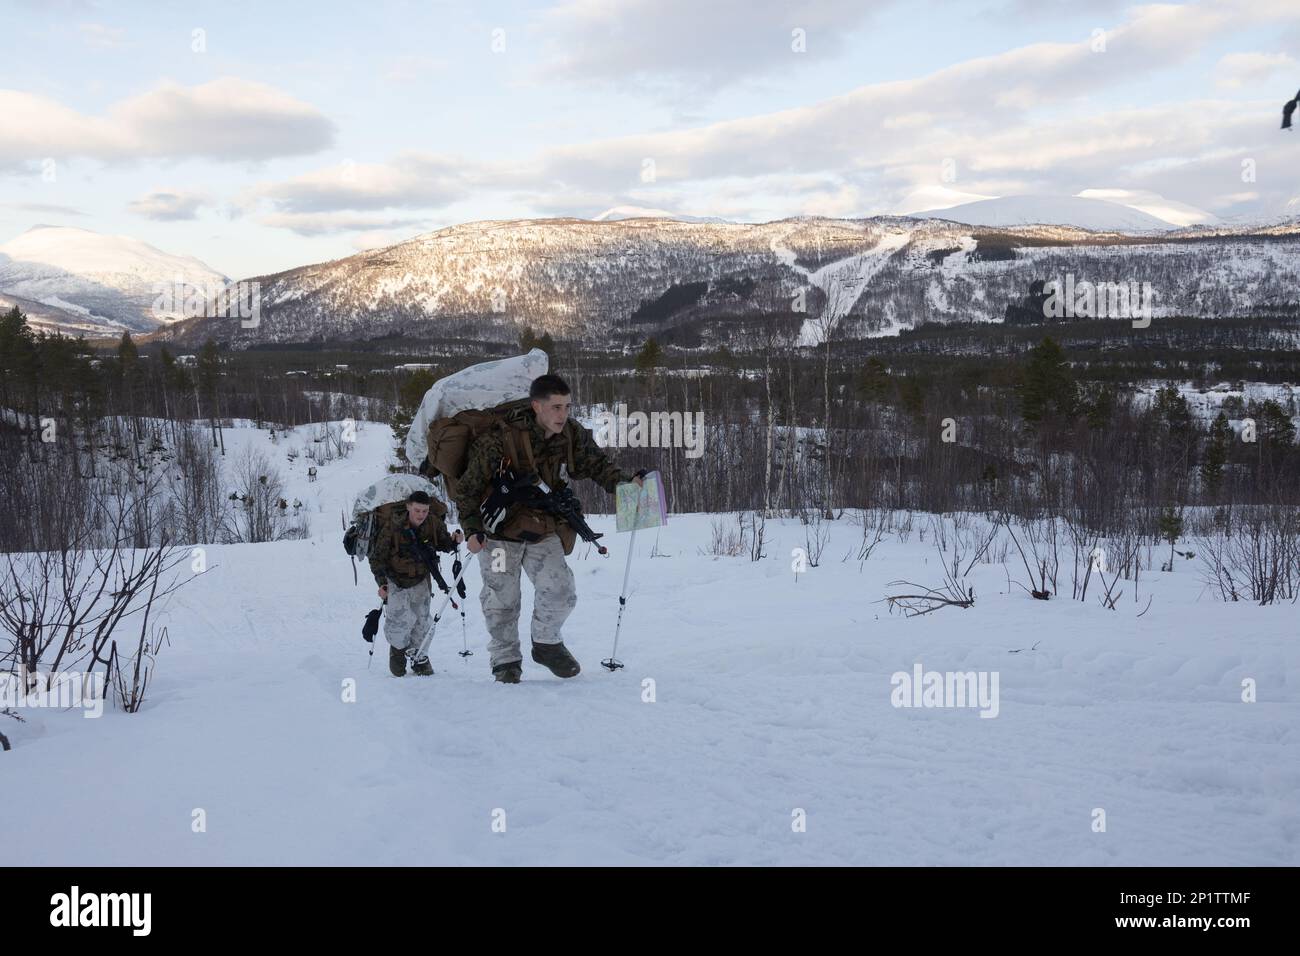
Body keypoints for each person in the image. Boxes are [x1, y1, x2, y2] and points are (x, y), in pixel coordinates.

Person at [454, 374, 643, 683]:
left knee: (561, 590)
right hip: (498, 534)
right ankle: (505, 660)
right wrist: (472, 529)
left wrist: (625, 484)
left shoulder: (570, 433)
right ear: (536, 406)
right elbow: (467, 491)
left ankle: (546, 643)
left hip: (543, 525)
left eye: (567, 406)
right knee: (501, 599)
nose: (562, 414)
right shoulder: (499, 440)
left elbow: (596, 465)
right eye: (555, 407)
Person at [368, 490, 463, 676]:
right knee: (399, 620)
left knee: (422, 621)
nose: (421, 515)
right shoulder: (392, 527)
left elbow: (443, 543)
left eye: (425, 511)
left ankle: (420, 657)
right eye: (417, 510)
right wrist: (382, 584)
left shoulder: (432, 523)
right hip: (395, 579)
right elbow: (377, 558)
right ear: (408, 507)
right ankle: (398, 653)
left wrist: (454, 541)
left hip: (421, 578)